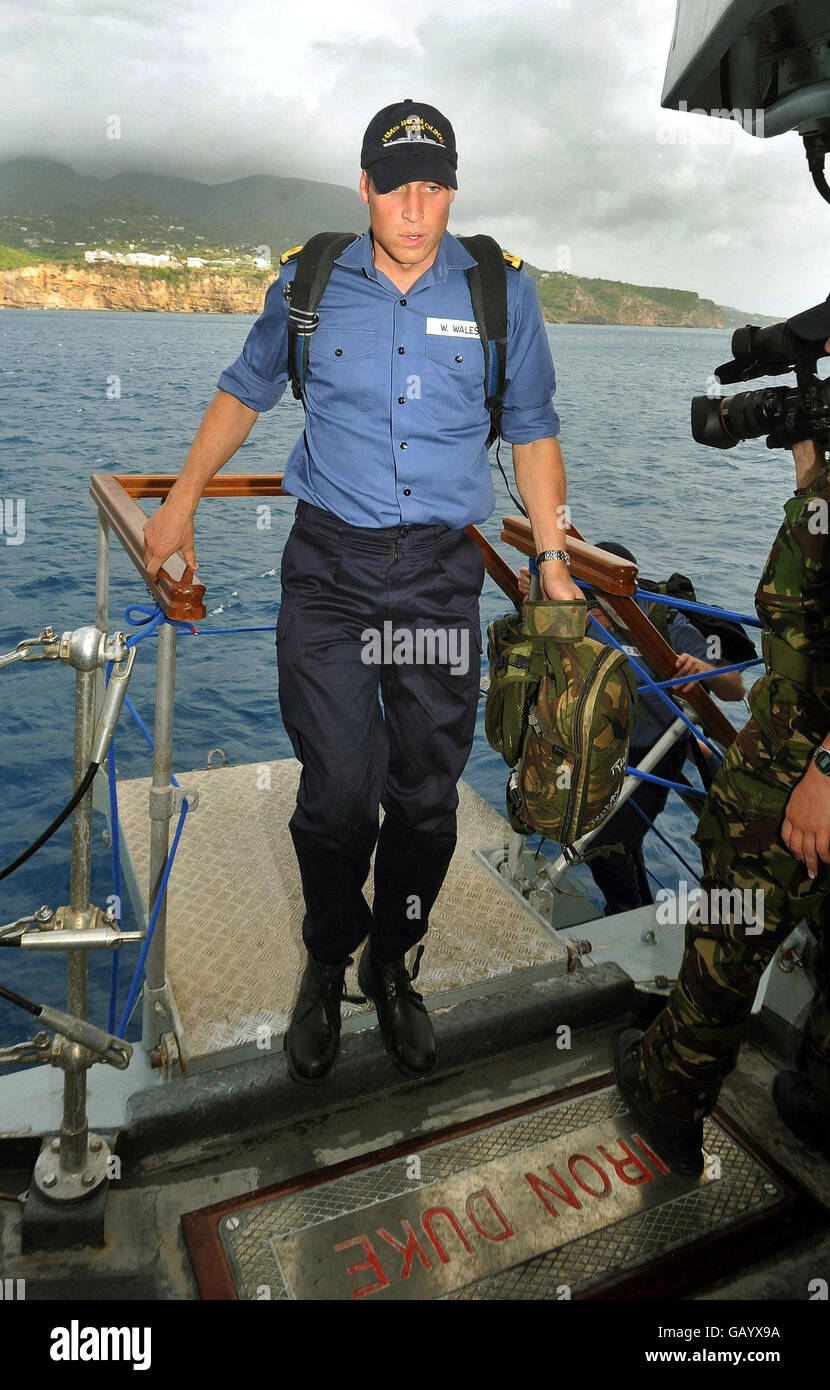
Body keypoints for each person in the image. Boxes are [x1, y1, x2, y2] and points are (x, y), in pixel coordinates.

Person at [142, 98, 582, 1087]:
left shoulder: (499, 294)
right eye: (396, 188)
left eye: (433, 188)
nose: (415, 210)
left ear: (453, 191)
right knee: (338, 794)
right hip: (332, 573)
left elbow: (533, 426)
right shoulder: (308, 282)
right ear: (364, 187)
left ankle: (394, 961)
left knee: (426, 803)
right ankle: (327, 952)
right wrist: (178, 505)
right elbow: (243, 388)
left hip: (435, 579)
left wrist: (549, 556)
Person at [613, 393, 830, 1172]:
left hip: (796, 779)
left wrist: (825, 775)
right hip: (798, 755)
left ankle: (666, 1102)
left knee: (727, 944)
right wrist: (810, 465)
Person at [518, 542, 744, 914]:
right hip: (596, 747)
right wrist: (535, 595)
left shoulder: (663, 622)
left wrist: (702, 670)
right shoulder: (581, 612)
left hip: (652, 754)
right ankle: (638, 910)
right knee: (614, 837)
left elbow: (734, 687)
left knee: (603, 842)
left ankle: (625, 912)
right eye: (586, 599)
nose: (593, 615)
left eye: (600, 604)